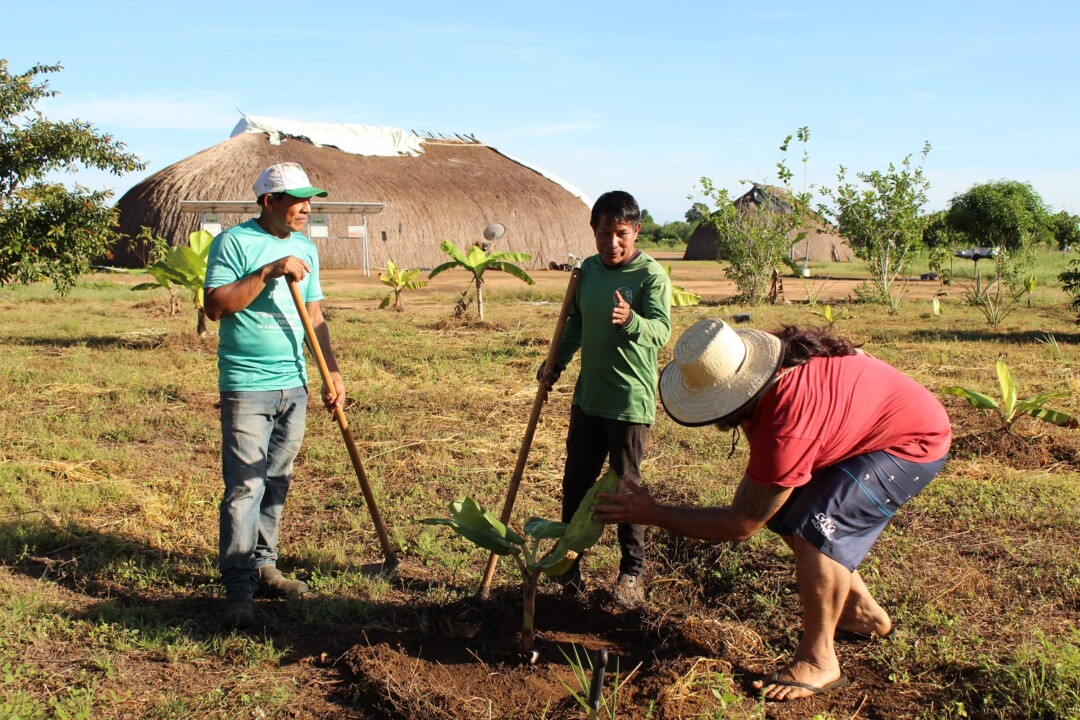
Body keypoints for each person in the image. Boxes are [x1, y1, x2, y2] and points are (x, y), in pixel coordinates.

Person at [592, 318, 951, 701]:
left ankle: (819, 660)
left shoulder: (787, 420)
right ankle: (861, 613)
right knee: (783, 511)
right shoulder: (768, 369)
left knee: (818, 528)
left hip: (912, 442)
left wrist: (654, 513)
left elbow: (740, 524)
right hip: (864, 429)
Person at [203, 162, 345, 629]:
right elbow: (215, 307)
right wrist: (267, 271)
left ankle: (265, 566)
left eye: (310, 201)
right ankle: (238, 585)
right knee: (246, 485)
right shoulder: (234, 242)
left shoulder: (306, 248)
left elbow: (314, 315)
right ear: (269, 201)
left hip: (293, 382)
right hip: (247, 383)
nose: (306, 208)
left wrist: (331, 371)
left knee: (277, 478)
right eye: (297, 201)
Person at [539, 190, 672, 606]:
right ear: (593, 231)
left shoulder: (651, 276)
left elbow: (661, 331)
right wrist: (554, 364)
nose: (611, 243)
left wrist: (632, 321)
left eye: (620, 233)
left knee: (625, 489)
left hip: (629, 401)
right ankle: (567, 570)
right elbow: (575, 325)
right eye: (602, 233)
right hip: (589, 399)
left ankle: (632, 572)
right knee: (575, 484)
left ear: (636, 231)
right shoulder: (588, 272)